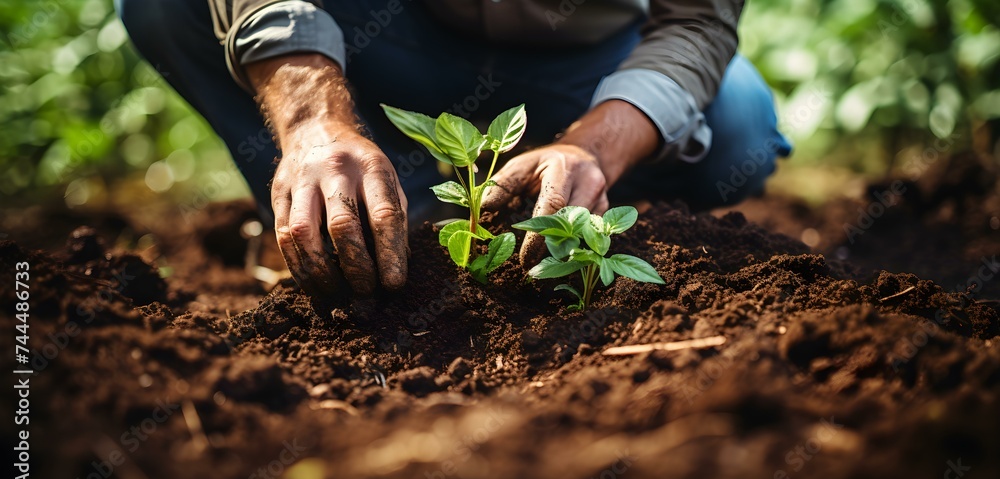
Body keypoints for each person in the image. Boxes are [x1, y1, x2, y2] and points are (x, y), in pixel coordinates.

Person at [115, 0, 791, 298]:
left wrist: (596, 145)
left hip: (585, 57)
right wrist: (313, 115)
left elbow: (698, 20)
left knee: (741, 128)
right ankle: (378, 229)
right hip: (388, 35)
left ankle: (569, 210)